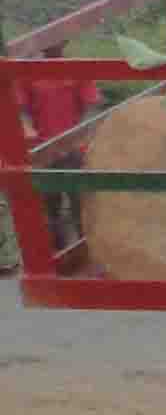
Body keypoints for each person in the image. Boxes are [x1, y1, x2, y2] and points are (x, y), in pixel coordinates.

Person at [17, 42, 102, 255]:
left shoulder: (77, 69)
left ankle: (88, 253)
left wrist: (74, 139)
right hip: (43, 151)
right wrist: (31, 136)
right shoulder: (28, 73)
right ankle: (58, 256)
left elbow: (91, 108)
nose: (51, 47)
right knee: (49, 207)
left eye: (56, 42)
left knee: (80, 204)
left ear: (63, 44)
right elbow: (21, 111)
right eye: (48, 42)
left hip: (73, 149)